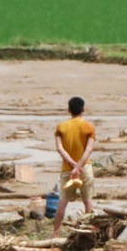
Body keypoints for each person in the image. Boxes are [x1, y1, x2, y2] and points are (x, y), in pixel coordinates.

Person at [53, 96, 95, 235]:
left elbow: (60, 148)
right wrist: (79, 166)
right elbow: (88, 149)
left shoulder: (61, 127)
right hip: (84, 168)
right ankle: (88, 232)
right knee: (88, 201)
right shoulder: (88, 127)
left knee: (62, 203)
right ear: (83, 109)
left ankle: (55, 234)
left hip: (67, 169)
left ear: (69, 110)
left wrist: (72, 165)